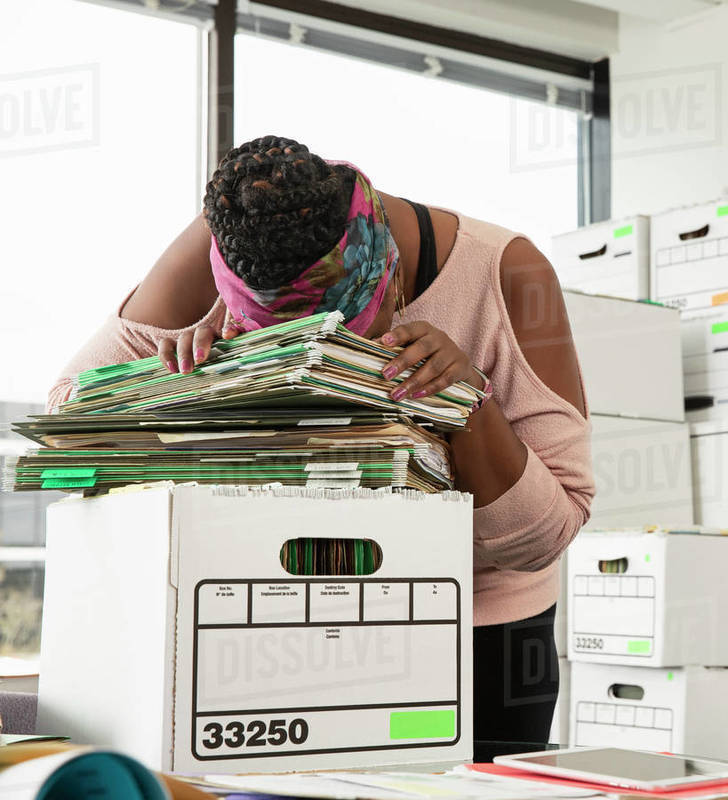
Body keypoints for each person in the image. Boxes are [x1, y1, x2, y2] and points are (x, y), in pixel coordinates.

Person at [48, 135, 594, 752]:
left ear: (387, 275)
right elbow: (68, 415)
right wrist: (179, 380)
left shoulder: (508, 272)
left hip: (474, 622)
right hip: (278, 609)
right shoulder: (230, 235)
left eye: (346, 338)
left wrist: (468, 405)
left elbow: (551, 532)